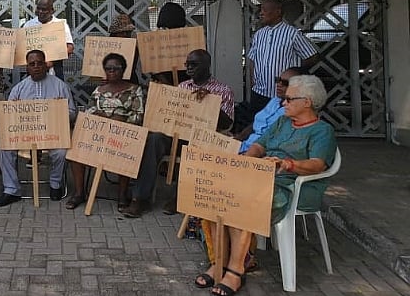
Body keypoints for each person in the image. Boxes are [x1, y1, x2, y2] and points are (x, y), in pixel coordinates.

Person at [193, 75, 337, 296]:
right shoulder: (282, 122)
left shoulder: (322, 131)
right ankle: (219, 262)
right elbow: (260, 145)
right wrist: (247, 160)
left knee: (241, 203)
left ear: (307, 102)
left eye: (289, 99)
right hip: (261, 176)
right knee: (215, 194)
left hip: (291, 187)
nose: (283, 103)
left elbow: (317, 164)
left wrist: (288, 164)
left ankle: (235, 269)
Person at [125, 49, 234, 217]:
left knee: (197, 146)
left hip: (202, 138)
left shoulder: (222, 90)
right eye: (187, 64)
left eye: (194, 64)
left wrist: (210, 103)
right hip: (179, 133)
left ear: (207, 65)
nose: (189, 68)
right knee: (154, 139)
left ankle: (179, 198)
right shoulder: (183, 87)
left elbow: (227, 124)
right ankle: (140, 199)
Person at [0, 50, 77, 207]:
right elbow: (8, 117)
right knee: (3, 147)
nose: (37, 67)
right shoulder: (18, 89)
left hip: (51, 135)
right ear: (27, 67)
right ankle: (12, 189)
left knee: (61, 151)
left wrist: (61, 110)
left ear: (46, 64)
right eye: (32, 64)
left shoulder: (60, 86)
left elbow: (73, 114)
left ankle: (55, 184)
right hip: (24, 136)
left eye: (40, 63)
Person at [66, 53, 143, 211]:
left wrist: (119, 120)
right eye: (108, 69)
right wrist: (101, 118)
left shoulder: (134, 90)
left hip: (123, 136)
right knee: (76, 149)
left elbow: (138, 116)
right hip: (99, 135)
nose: (112, 71)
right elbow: (89, 112)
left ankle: (122, 195)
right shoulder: (98, 91)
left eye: (116, 68)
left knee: (128, 150)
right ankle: (79, 193)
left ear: (124, 70)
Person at [248, 0, 319, 114]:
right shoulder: (259, 34)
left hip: (282, 96)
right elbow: (252, 58)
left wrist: (295, 74)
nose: (261, 13)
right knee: (258, 125)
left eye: (264, 10)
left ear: (278, 12)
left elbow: (311, 56)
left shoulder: (292, 34)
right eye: (261, 10)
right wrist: (253, 81)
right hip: (259, 93)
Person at [237, 68, 301, 153]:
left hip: (262, 154)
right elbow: (256, 124)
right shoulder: (275, 101)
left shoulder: (295, 111)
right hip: (245, 146)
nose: (279, 84)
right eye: (278, 80)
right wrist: (237, 139)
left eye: (285, 83)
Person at [22, 0, 74, 80]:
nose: (40, 12)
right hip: (34, 71)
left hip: (55, 70)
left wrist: (52, 62)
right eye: (38, 8)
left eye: (44, 9)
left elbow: (69, 48)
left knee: (56, 92)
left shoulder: (60, 25)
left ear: (52, 10)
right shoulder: (29, 25)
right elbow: (22, 47)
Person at [108, 14, 139, 84]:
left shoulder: (133, 46)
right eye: (122, 32)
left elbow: (131, 67)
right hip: (110, 85)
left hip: (129, 83)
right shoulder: (106, 48)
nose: (125, 34)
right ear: (115, 34)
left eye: (128, 32)